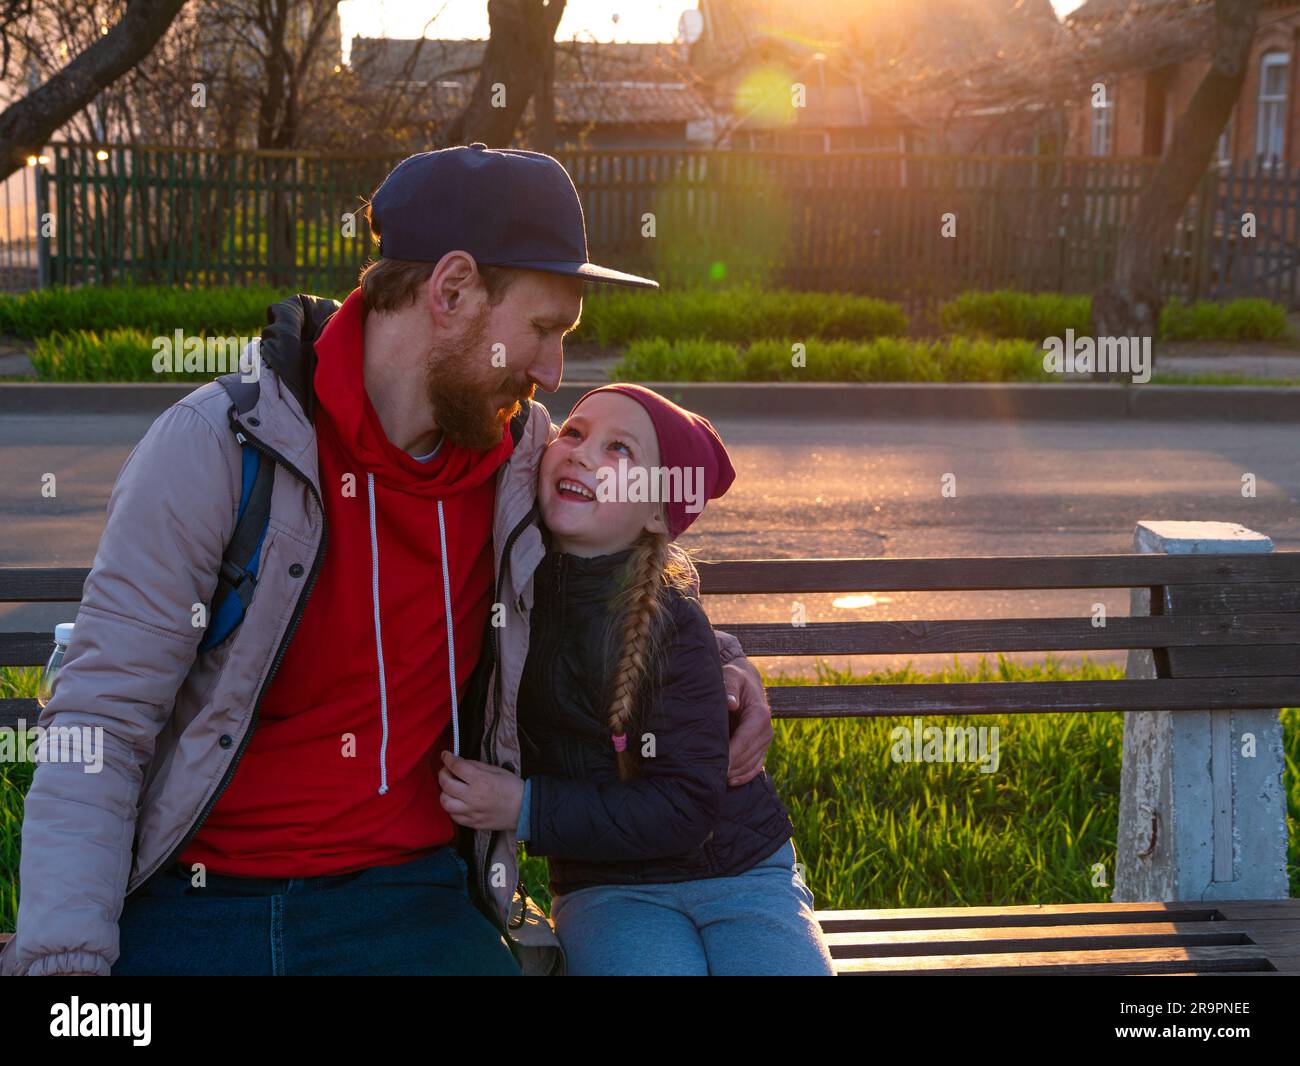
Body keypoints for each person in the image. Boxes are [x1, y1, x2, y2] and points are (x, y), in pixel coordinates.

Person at [0, 144, 773, 977]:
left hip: (409, 900)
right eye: (543, 330)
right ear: (450, 291)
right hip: (196, 898)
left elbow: (620, 564)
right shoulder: (218, 449)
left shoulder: (520, 469)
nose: (554, 374)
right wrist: (64, 963)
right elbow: (102, 719)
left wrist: (716, 659)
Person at [439, 384, 835, 976]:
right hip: (608, 888)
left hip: (742, 871)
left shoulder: (673, 622)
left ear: (657, 511)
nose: (581, 452)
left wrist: (524, 807)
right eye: (572, 432)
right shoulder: (510, 589)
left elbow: (686, 805)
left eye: (619, 449)